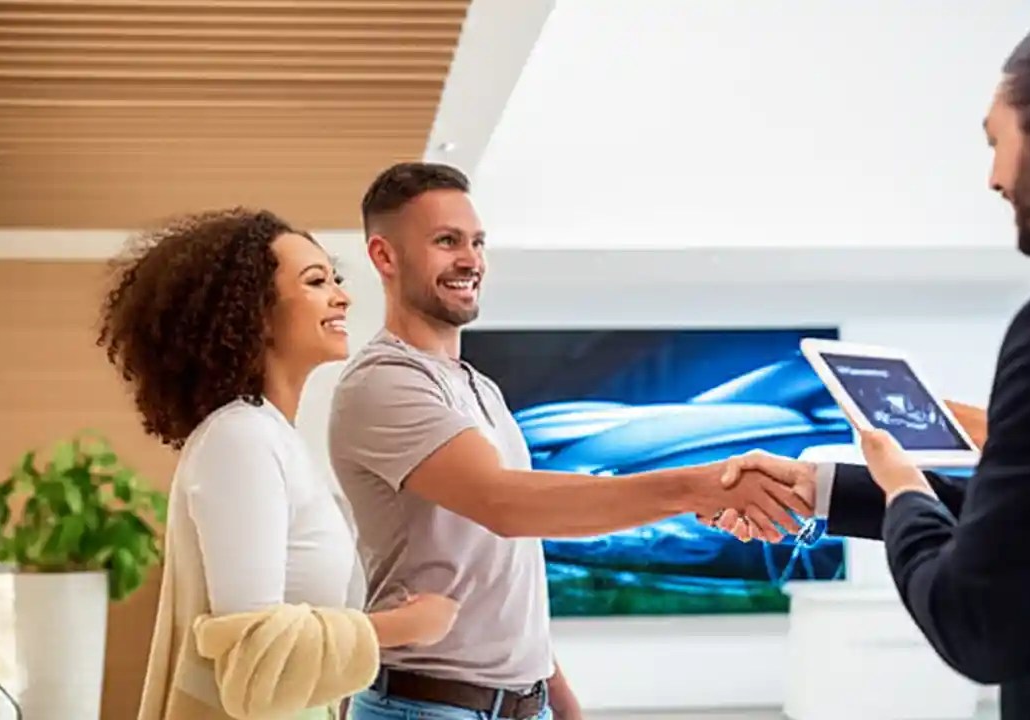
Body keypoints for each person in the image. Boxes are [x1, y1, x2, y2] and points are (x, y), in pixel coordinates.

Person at [719, 3, 1030, 717]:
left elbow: (978, 619)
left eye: (996, 140)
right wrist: (826, 487)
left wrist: (905, 487)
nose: (995, 177)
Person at [327, 163, 804, 720]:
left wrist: (554, 692)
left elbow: (503, 566)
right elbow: (506, 505)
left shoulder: (478, 389)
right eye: (446, 242)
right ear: (384, 256)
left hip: (519, 705)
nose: (470, 260)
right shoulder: (385, 381)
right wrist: (695, 488)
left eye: (477, 242)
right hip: (428, 705)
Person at [97, 208, 460, 720]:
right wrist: (407, 626)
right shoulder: (241, 439)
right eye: (316, 281)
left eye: (336, 278)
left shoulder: (268, 436)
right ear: (255, 313)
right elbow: (253, 648)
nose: (343, 295)